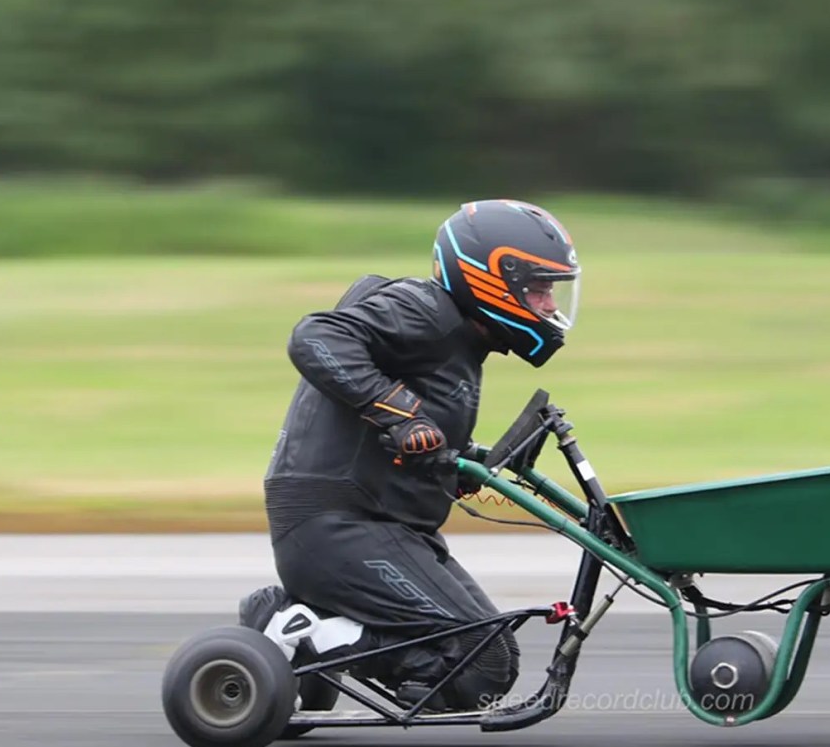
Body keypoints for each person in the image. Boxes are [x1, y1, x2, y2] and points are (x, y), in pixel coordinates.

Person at [239, 199, 582, 711]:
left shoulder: (462, 339)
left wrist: (458, 457)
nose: (550, 306)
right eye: (538, 289)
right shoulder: (423, 310)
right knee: (477, 666)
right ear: (493, 278)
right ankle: (295, 628)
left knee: (490, 663)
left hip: (385, 524)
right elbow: (317, 335)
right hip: (337, 524)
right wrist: (401, 415)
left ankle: (313, 626)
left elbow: (417, 421)